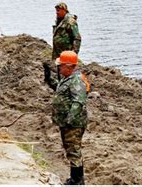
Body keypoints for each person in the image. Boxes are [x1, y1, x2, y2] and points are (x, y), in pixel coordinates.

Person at [44, 50, 87, 185]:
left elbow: (78, 102)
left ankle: (77, 180)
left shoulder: (76, 80)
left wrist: (70, 119)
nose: (59, 67)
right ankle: (75, 178)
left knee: (74, 150)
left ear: (69, 66)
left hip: (73, 123)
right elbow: (58, 88)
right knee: (70, 149)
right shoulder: (66, 79)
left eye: (61, 65)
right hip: (67, 122)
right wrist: (48, 77)